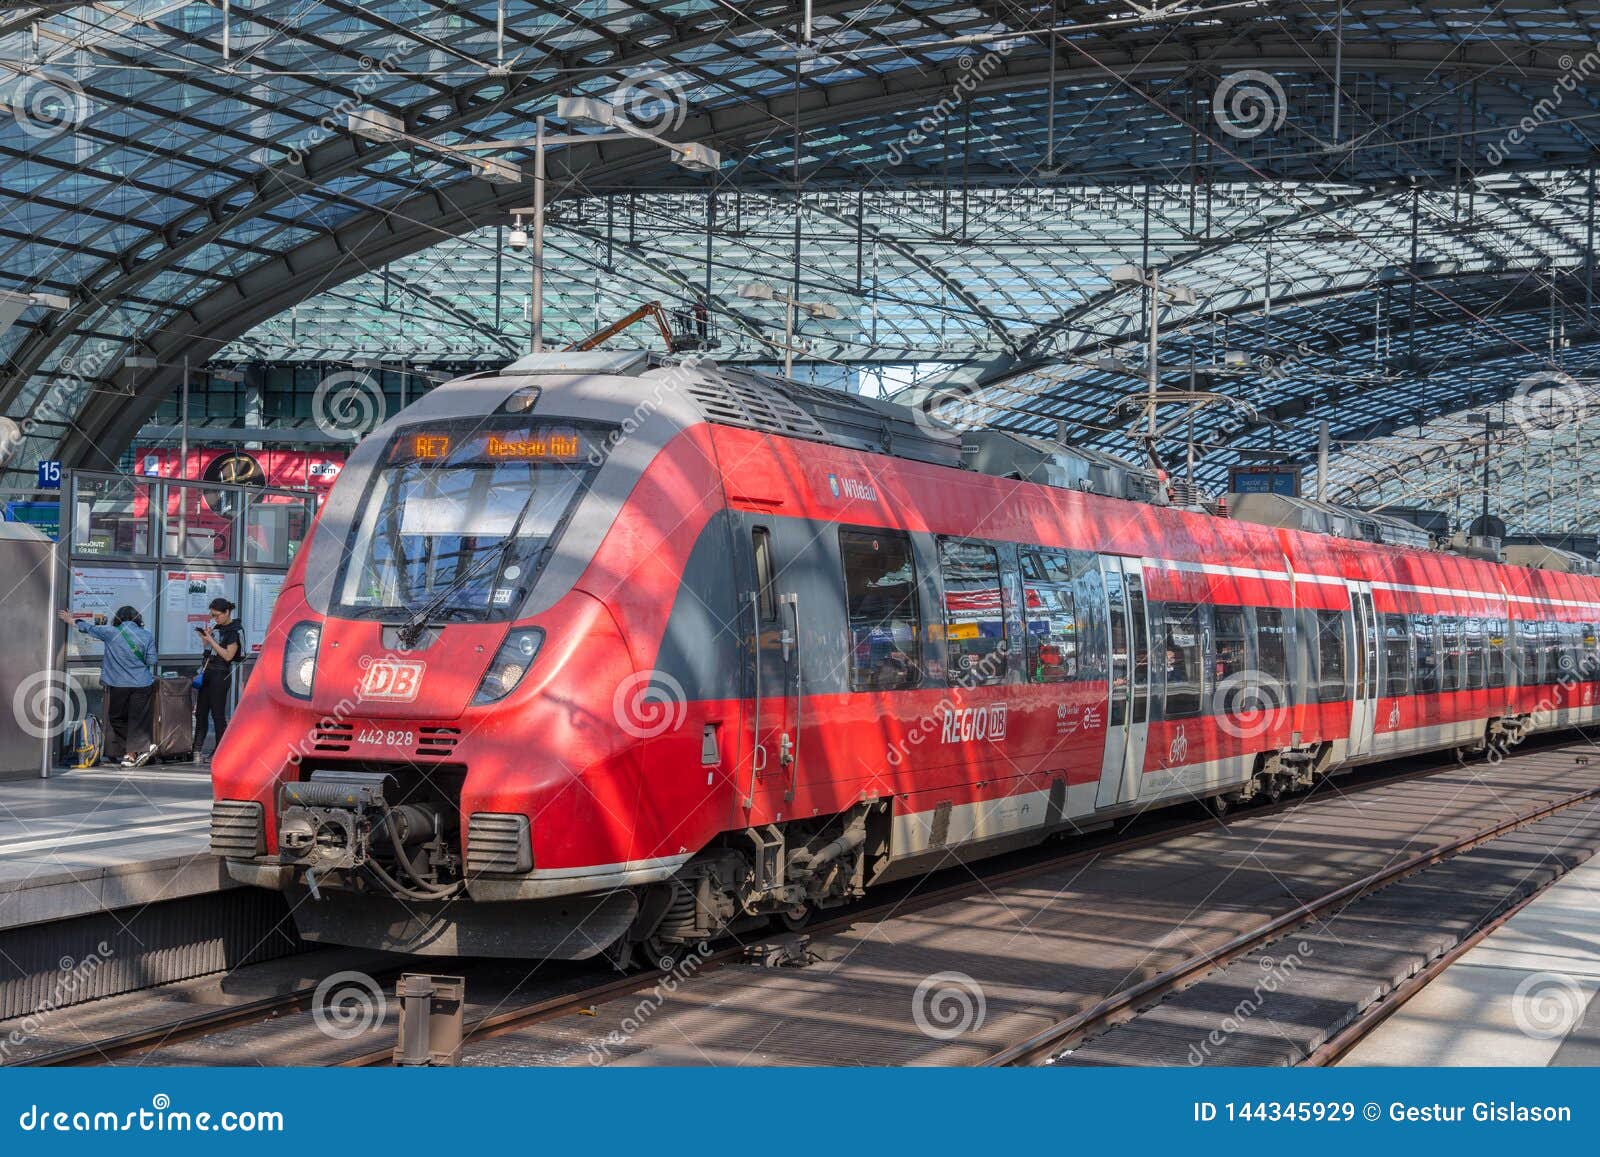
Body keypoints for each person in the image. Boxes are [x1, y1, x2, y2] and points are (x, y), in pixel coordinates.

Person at [56, 606, 157, 767]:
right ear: (137, 619)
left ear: (118, 618)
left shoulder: (111, 632)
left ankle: (131, 753)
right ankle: (139, 748)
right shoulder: (147, 635)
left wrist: (71, 620)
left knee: (116, 718)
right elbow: (152, 661)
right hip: (142, 683)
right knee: (137, 719)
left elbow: (89, 628)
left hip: (118, 684)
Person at [192, 597, 243, 762]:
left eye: (217, 615)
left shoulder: (234, 630)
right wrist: (205, 641)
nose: (215, 618)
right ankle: (196, 749)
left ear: (227, 612)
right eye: (212, 615)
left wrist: (212, 640)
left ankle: (220, 749)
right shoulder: (217, 627)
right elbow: (209, 652)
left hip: (221, 674)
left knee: (217, 714)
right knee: (201, 712)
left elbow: (228, 656)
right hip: (208, 672)